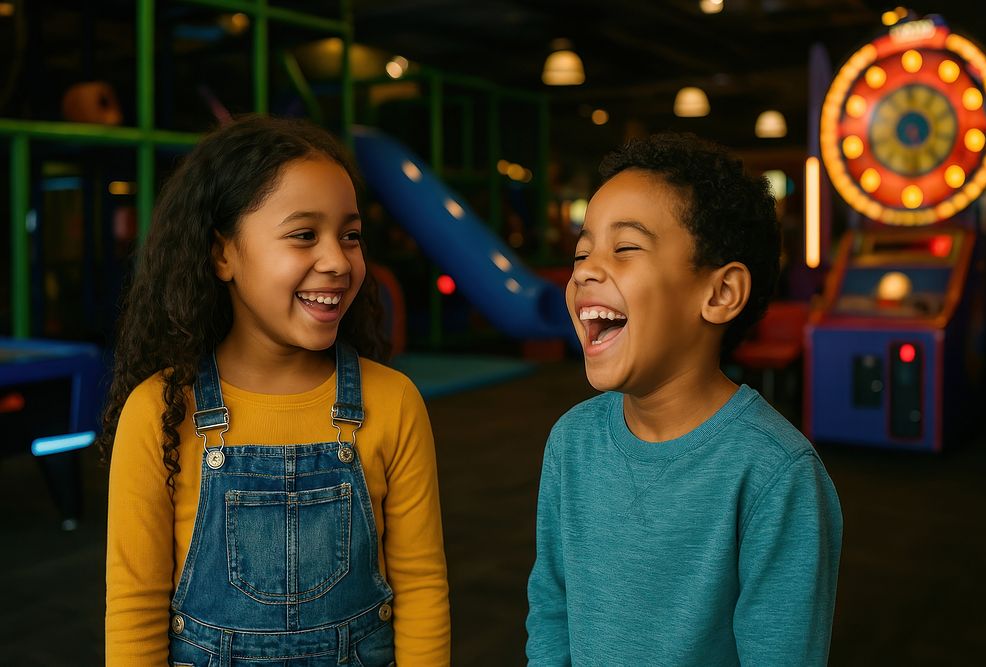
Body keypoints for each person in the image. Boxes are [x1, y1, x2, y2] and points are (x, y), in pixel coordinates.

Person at [101, 115, 450, 666]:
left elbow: (423, 589)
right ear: (223, 255)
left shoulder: (394, 402)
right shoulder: (160, 412)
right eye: (303, 234)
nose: (337, 260)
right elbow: (134, 610)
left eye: (351, 235)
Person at [526, 133, 842, 666]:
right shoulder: (571, 442)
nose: (584, 270)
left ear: (719, 294)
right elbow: (551, 609)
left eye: (624, 248)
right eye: (583, 251)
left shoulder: (774, 473)